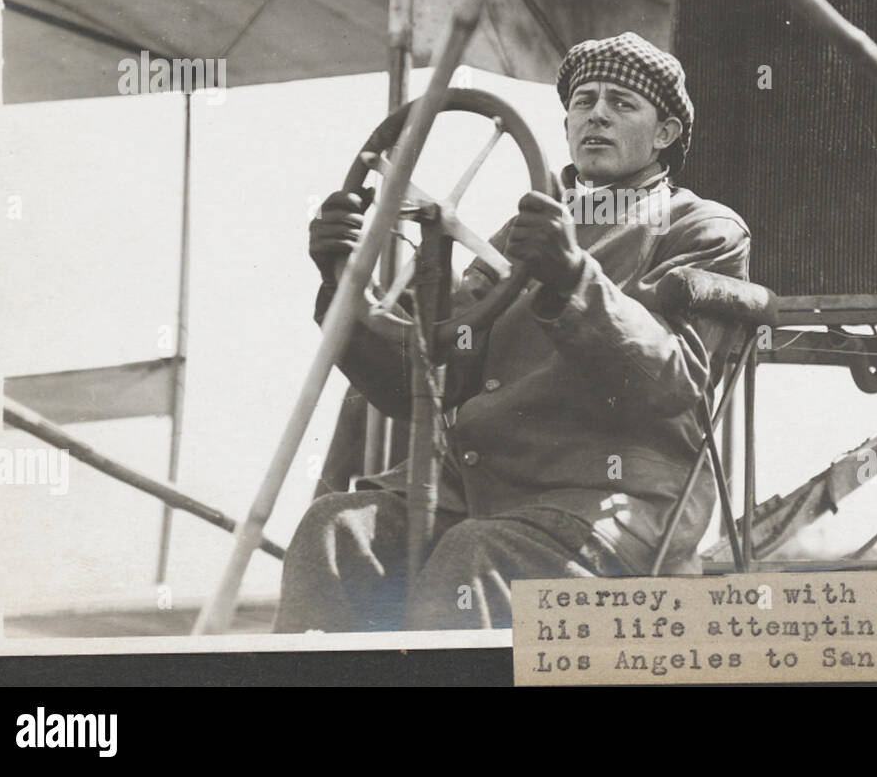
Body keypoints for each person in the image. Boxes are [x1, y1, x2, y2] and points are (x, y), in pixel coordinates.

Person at [274, 32, 750, 632]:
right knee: (335, 532)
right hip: (476, 487)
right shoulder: (517, 235)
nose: (596, 113)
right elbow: (425, 378)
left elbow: (672, 385)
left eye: (622, 103)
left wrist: (573, 280)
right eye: (584, 101)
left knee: (475, 556)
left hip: (609, 500)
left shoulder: (702, 229)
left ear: (665, 135)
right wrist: (345, 287)